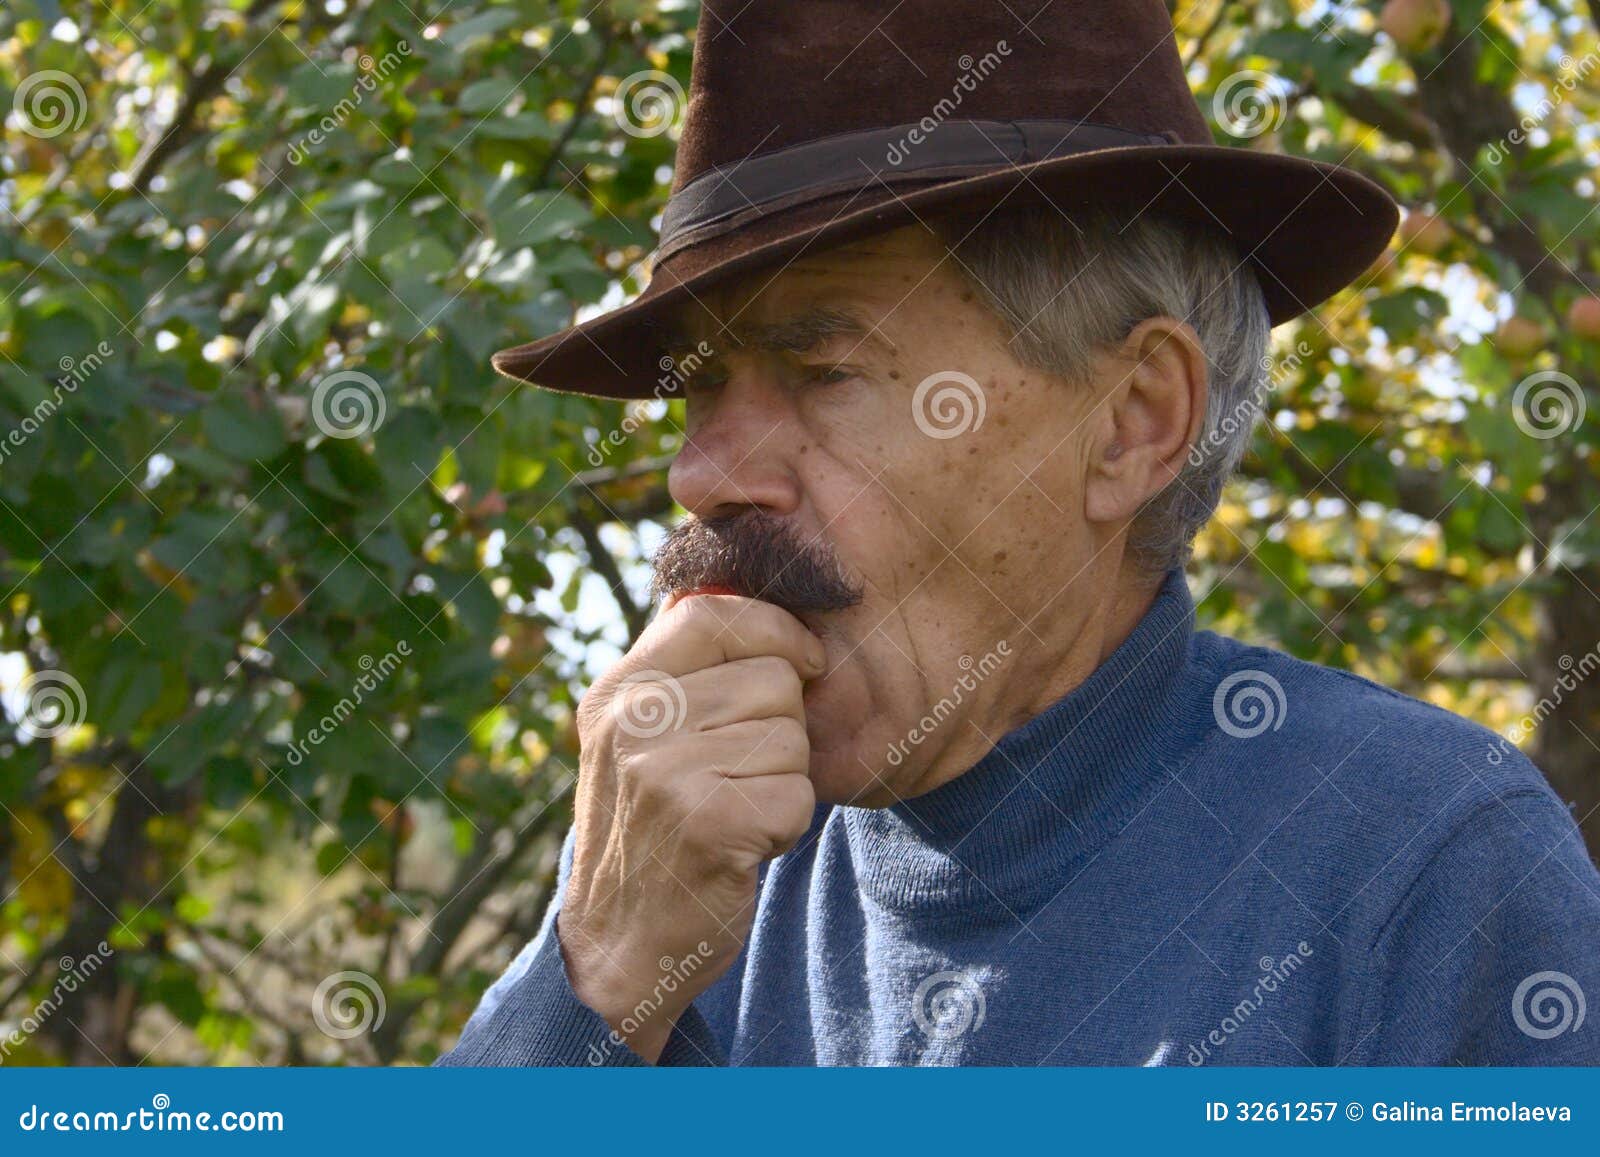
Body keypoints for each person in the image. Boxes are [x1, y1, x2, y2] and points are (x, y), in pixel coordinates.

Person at [438, 0, 1600, 1066]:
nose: (699, 473)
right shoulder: (680, 854)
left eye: (822, 370)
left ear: (1132, 425)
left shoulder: (1419, 863)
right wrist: (595, 972)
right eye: (698, 388)